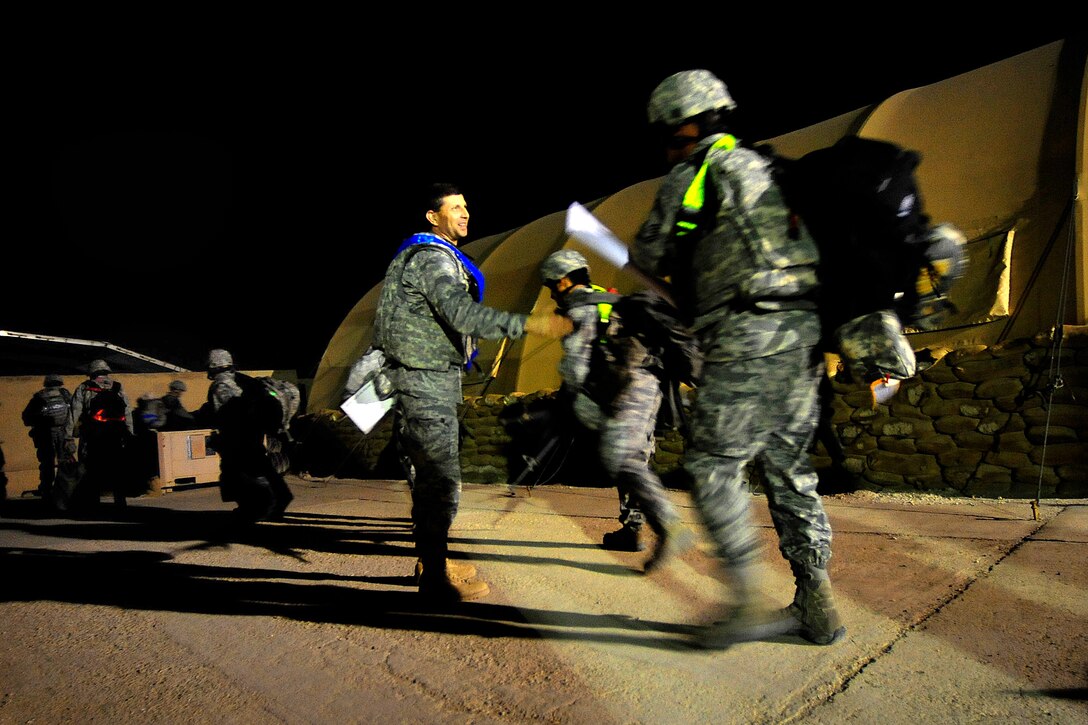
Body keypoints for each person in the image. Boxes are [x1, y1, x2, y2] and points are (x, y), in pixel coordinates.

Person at [630, 70, 845, 648]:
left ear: (686, 126)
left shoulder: (691, 175)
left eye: (669, 134)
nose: (668, 146)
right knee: (789, 467)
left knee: (712, 467)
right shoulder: (771, 168)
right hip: (801, 337)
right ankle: (816, 600)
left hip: (747, 336)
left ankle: (745, 601)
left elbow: (646, 250)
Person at [372, 182, 572, 604]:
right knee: (441, 480)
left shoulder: (430, 256)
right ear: (432, 216)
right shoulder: (431, 259)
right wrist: (532, 325)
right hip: (423, 379)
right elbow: (462, 314)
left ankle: (435, 560)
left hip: (428, 377)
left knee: (427, 476)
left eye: (466, 207)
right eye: (455, 207)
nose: (465, 214)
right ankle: (433, 578)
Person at [539, 249, 696, 569]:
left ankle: (669, 525)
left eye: (553, 284)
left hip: (625, 388)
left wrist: (576, 404)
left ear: (566, 281)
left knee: (624, 457)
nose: (553, 292)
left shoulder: (579, 307)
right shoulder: (611, 299)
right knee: (633, 457)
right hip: (648, 386)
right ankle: (633, 527)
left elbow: (575, 367)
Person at [202, 348, 294, 522]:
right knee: (259, 465)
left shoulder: (221, 385)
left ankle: (252, 508)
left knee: (236, 472)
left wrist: (221, 439)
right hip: (254, 432)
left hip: (238, 436)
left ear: (213, 365)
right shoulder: (241, 379)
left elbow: (227, 414)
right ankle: (279, 498)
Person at [66, 359, 134, 508]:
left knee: (90, 468)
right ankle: (120, 502)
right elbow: (127, 412)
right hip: (115, 435)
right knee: (117, 469)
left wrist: (68, 437)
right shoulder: (117, 387)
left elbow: (73, 413)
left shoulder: (84, 388)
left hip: (92, 435)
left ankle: (93, 503)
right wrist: (129, 433)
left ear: (91, 372)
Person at [21, 374, 74, 500]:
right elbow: (73, 414)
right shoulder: (65, 395)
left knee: (46, 463)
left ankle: (46, 489)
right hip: (63, 432)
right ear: (60, 382)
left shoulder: (39, 397)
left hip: (45, 433)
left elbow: (27, 418)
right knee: (65, 462)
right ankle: (65, 490)